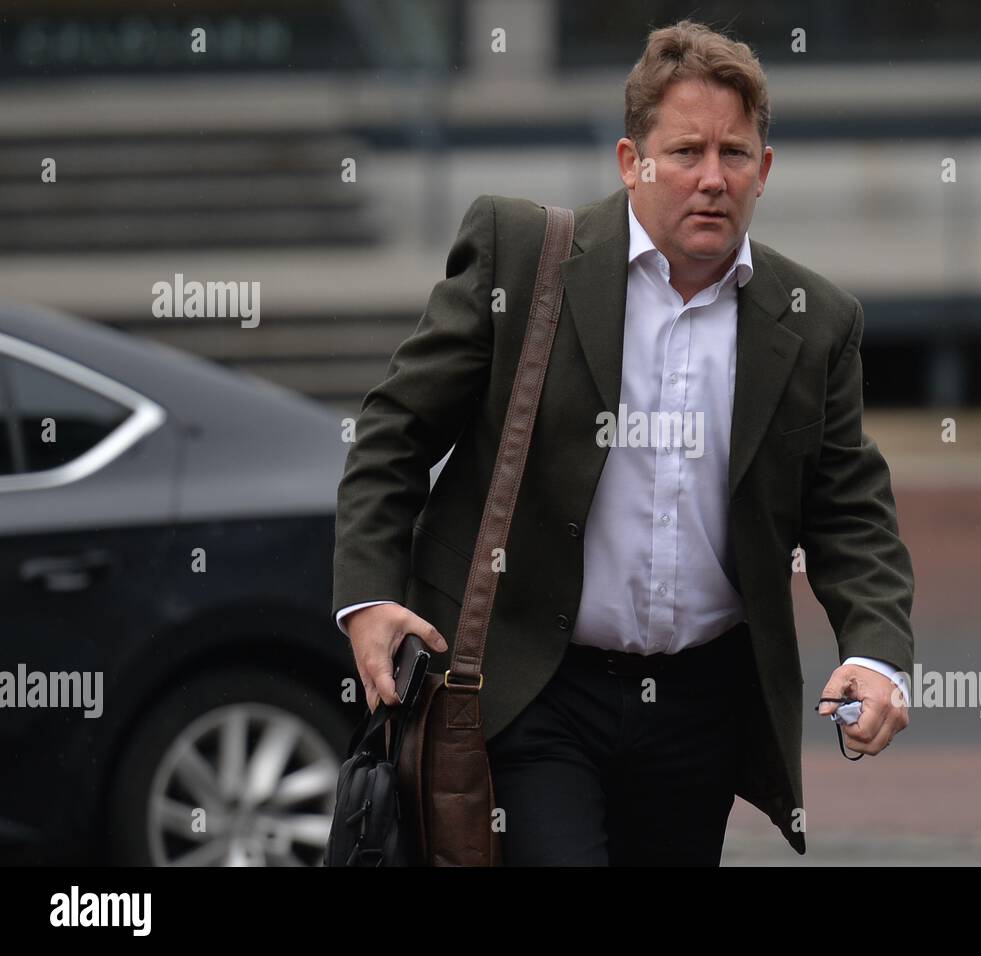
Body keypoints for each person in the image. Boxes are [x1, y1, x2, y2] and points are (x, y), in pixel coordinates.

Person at [331, 19, 916, 866]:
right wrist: (368, 595)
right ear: (629, 161)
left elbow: (848, 512)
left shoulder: (814, 321)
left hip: (701, 709)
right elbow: (395, 429)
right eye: (685, 152)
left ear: (766, 170)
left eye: (735, 154)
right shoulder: (522, 256)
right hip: (535, 686)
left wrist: (875, 652)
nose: (712, 179)